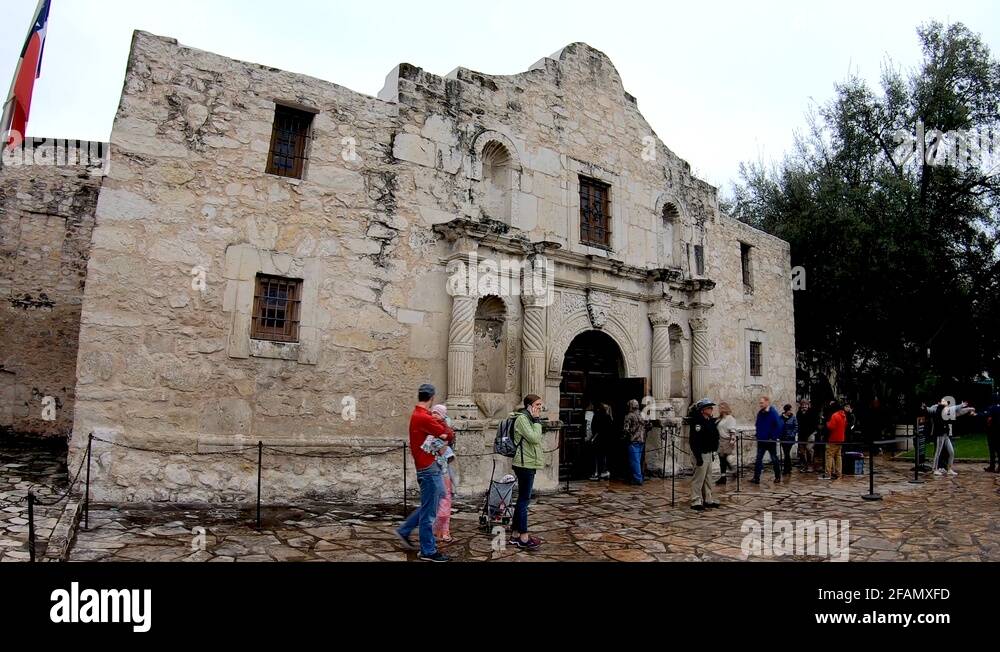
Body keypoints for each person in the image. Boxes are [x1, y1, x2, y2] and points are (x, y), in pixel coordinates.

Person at [396, 383, 454, 562]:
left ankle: (405, 529)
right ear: (432, 398)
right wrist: (445, 428)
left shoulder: (420, 415)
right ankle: (428, 551)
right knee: (430, 513)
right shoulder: (424, 417)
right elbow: (449, 434)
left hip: (429, 467)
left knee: (436, 500)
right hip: (429, 469)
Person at [508, 394, 545, 550]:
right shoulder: (523, 419)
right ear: (529, 406)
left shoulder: (527, 419)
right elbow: (534, 438)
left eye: (541, 405)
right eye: (537, 405)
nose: (540, 408)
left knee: (522, 499)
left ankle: (516, 535)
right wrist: (536, 421)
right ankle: (523, 537)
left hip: (528, 462)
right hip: (524, 464)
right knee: (524, 500)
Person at [431, 404, 457, 543]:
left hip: (443, 471)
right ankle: (435, 530)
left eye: (437, 413)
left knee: (445, 500)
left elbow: (443, 449)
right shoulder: (430, 430)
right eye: (433, 412)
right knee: (434, 502)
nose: (434, 415)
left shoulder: (445, 430)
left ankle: (444, 530)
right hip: (432, 470)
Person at [689, 398, 721, 510]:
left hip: (708, 452)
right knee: (698, 478)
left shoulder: (709, 421)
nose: (711, 409)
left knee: (708, 478)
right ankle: (696, 500)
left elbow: (714, 436)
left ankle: (708, 498)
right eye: (708, 407)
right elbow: (694, 441)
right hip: (700, 453)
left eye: (711, 407)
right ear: (702, 410)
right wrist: (698, 456)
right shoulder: (697, 422)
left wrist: (713, 451)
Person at [752, 396, 783, 484]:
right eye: (760, 403)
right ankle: (756, 478)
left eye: (762, 403)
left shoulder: (773, 412)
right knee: (758, 459)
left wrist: (773, 437)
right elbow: (758, 424)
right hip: (761, 441)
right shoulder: (760, 413)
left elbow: (778, 426)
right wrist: (757, 434)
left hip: (770, 441)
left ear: (767, 402)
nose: (760, 404)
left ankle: (777, 477)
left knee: (774, 459)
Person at [623, 399, 649, 485]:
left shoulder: (629, 416)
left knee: (635, 461)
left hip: (633, 440)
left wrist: (629, 434)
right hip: (642, 440)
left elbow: (626, 429)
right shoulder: (643, 415)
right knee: (639, 460)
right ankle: (638, 477)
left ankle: (638, 479)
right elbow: (649, 425)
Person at [822, 401, 846, 480]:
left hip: (833, 439)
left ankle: (828, 473)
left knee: (829, 456)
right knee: (838, 456)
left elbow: (831, 427)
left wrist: (827, 423)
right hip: (841, 439)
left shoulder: (835, 415)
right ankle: (839, 473)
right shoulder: (843, 415)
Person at [715, 402, 738, 485]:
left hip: (727, 440)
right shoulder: (720, 419)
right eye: (719, 407)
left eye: (721, 407)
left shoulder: (730, 418)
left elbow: (732, 430)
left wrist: (732, 440)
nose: (720, 409)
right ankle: (725, 475)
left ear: (726, 408)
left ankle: (728, 473)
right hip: (720, 440)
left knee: (724, 457)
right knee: (722, 458)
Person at [590, 402, 614, 480]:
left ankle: (596, 473)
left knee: (596, 457)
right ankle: (604, 472)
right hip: (606, 440)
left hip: (598, 439)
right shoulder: (608, 417)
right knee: (604, 456)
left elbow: (593, 428)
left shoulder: (596, 416)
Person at [796, 399, 818, 472]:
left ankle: (810, 465)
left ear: (808, 405)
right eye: (803, 405)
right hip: (801, 434)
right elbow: (798, 423)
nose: (804, 406)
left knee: (809, 449)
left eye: (806, 405)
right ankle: (805, 466)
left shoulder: (812, 412)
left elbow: (815, 423)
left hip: (810, 434)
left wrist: (815, 431)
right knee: (802, 451)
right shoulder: (799, 413)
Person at [780, 404, 798, 476]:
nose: (790, 411)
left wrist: (792, 434)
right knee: (786, 453)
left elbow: (796, 426)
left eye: (791, 410)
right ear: (786, 410)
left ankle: (786, 469)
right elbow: (778, 426)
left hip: (790, 438)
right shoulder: (780, 417)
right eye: (789, 410)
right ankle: (789, 468)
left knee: (787, 453)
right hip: (783, 438)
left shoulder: (793, 418)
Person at [985, 396, 1000, 473]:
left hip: (993, 432)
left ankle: (992, 466)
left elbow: (989, 419)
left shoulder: (992, 408)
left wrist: (988, 426)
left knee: (992, 450)